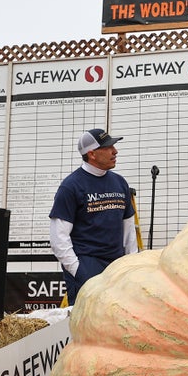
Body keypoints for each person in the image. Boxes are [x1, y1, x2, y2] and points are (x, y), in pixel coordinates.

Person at [49, 129, 137, 304]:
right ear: (92, 154)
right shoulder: (71, 186)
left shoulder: (120, 182)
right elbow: (58, 237)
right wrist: (78, 271)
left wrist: (132, 265)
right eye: (108, 147)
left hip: (117, 267)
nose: (115, 151)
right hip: (87, 265)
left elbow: (128, 229)